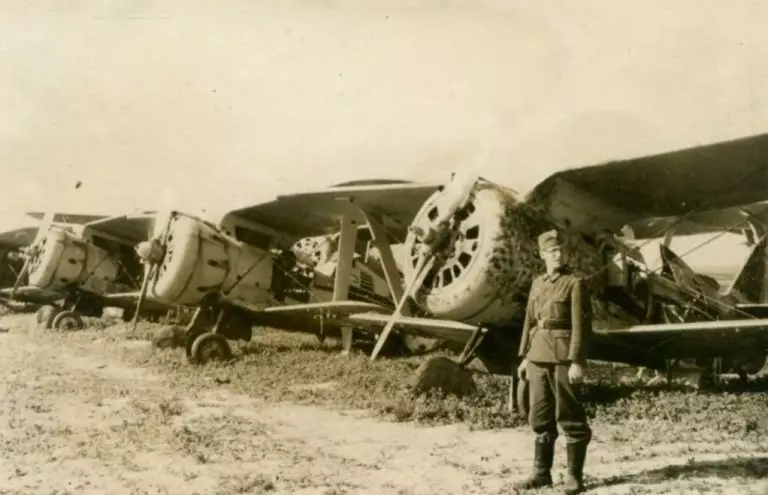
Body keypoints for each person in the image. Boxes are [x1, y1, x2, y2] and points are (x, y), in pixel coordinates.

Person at [514, 229, 592, 494]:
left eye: (560, 249)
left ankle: (574, 477)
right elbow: (530, 322)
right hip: (537, 356)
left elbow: (581, 326)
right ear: (542, 255)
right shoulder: (537, 283)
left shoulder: (574, 283)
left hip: (562, 357)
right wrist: (525, 357)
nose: (557, 254)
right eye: (552, 251)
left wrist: (577, 361)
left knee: (569, 415)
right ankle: (541, 473)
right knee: (540, 416)